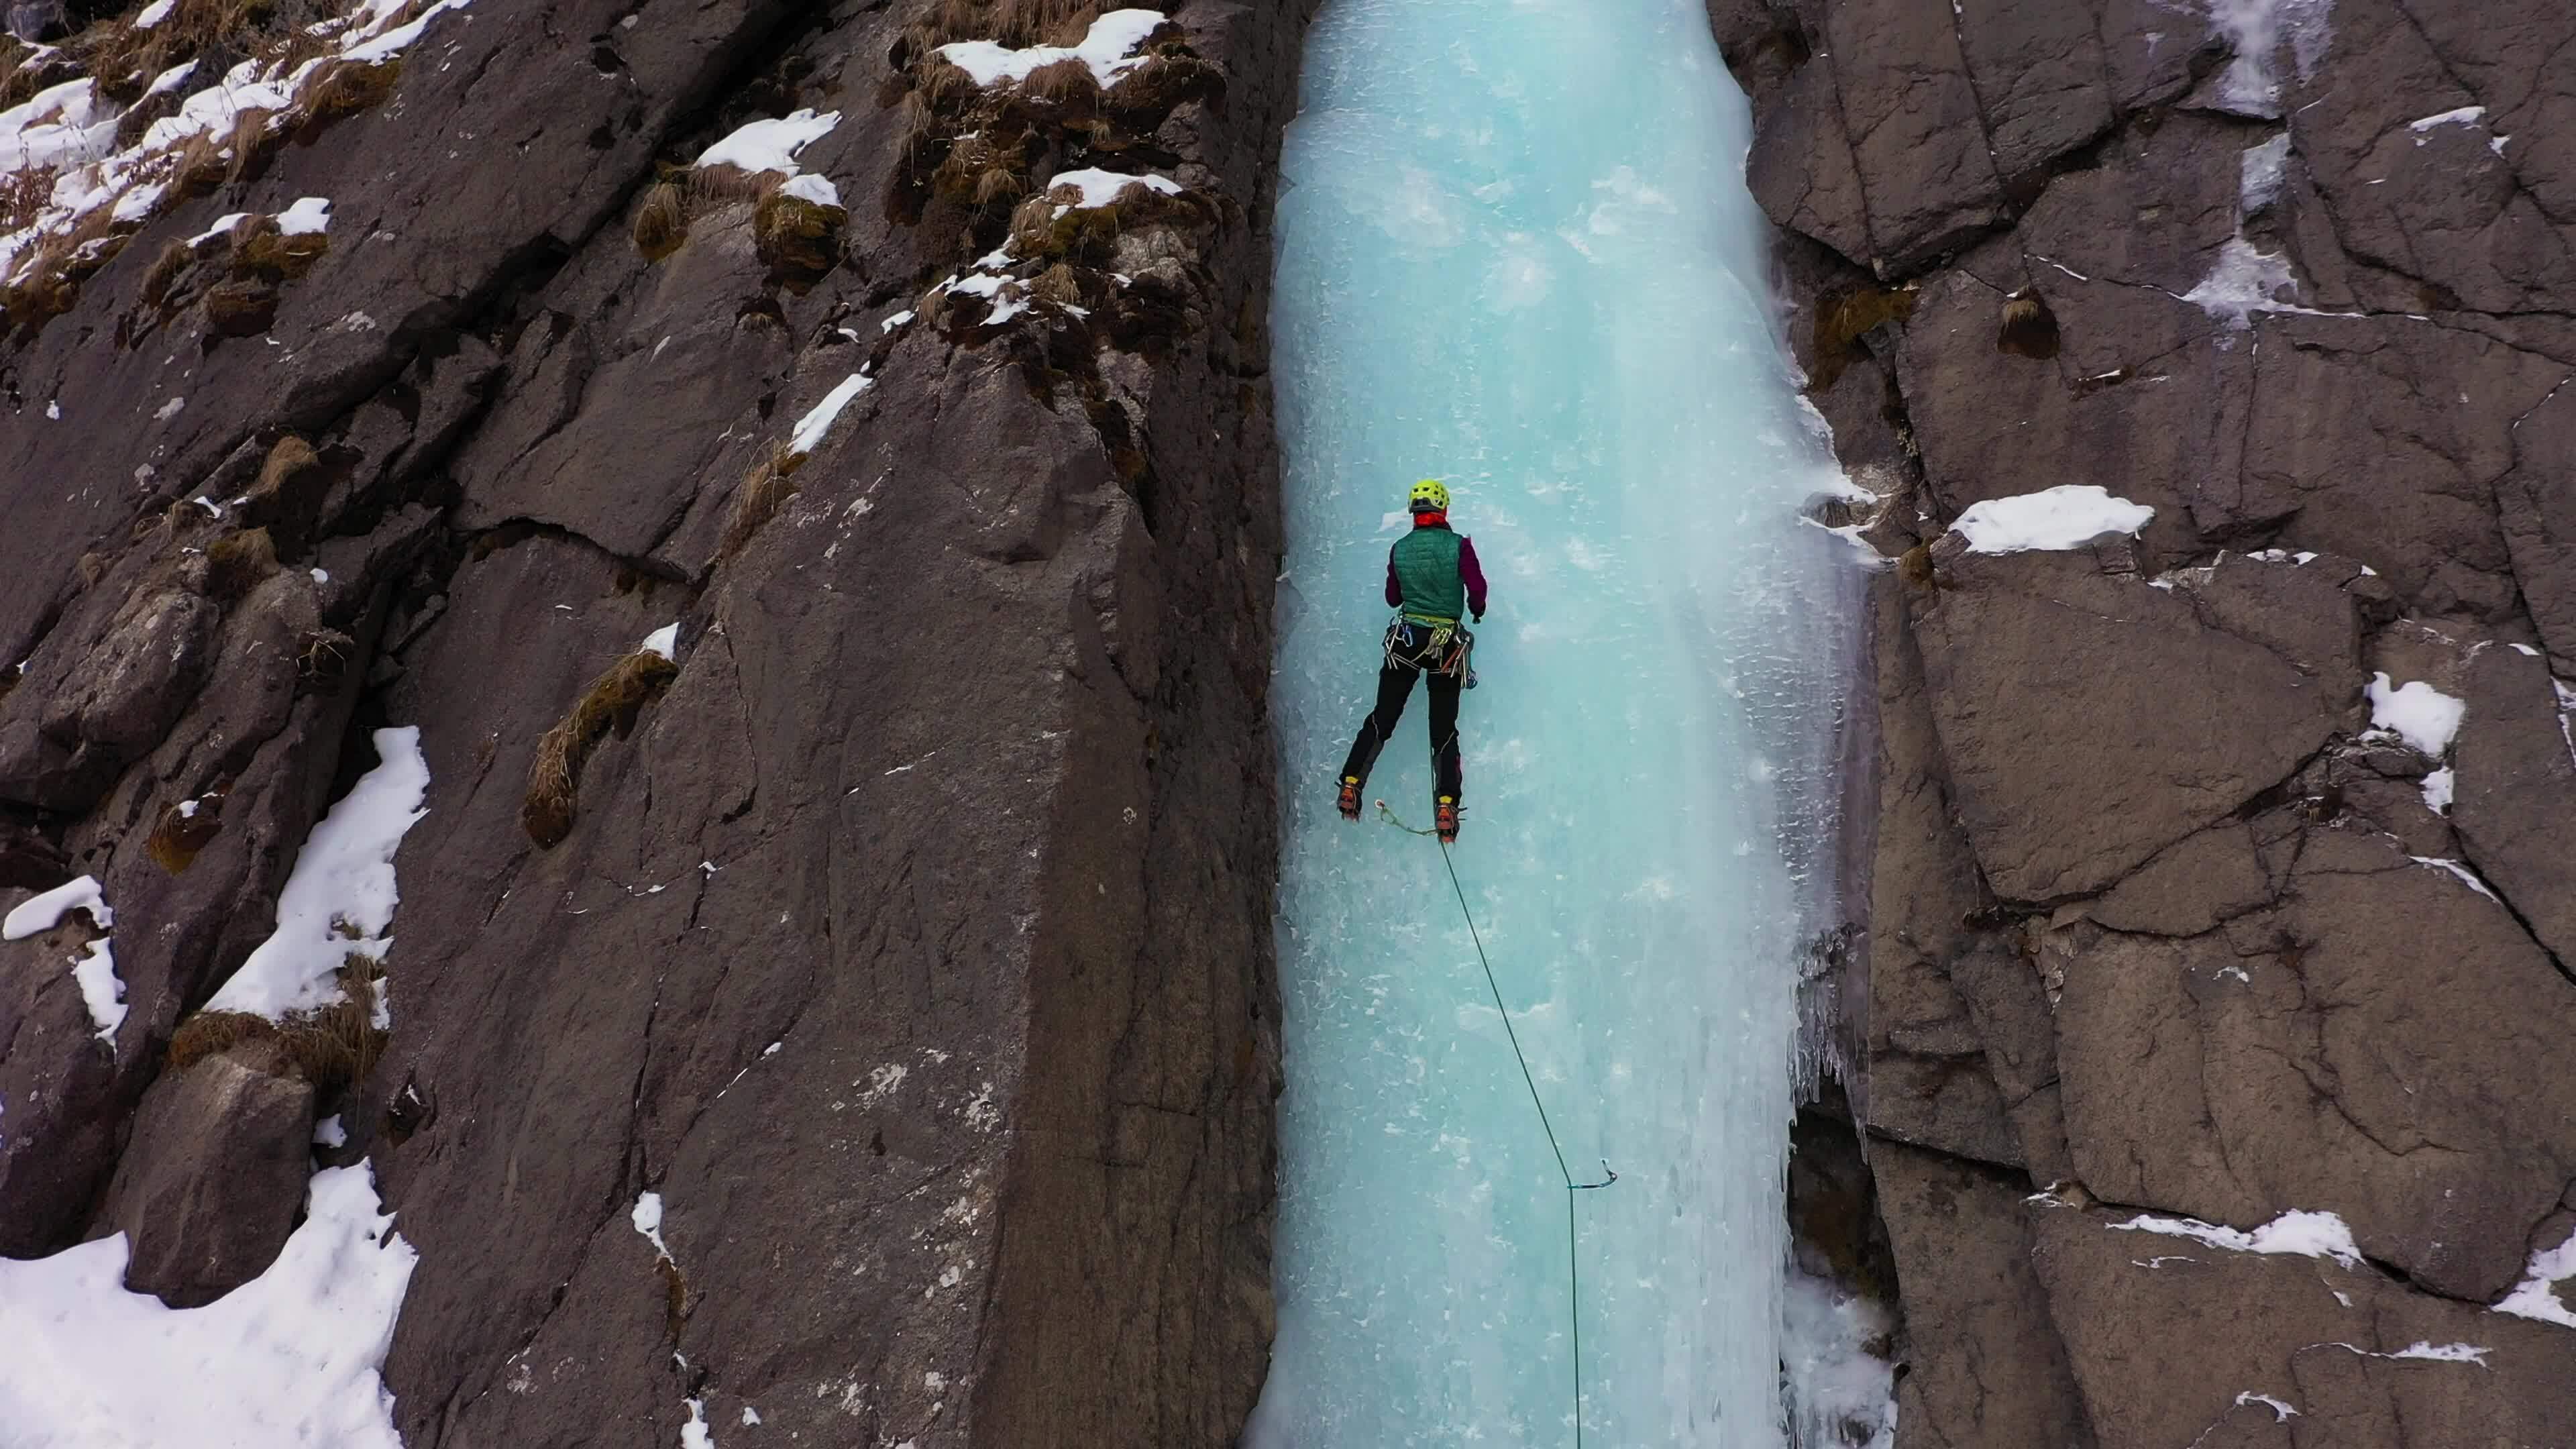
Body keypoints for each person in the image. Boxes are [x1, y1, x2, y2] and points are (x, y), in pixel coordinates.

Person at [1336, 478, 1487, 843]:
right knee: (1444, 729)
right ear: (1443, 510)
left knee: (1382, 717)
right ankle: (1447, 805)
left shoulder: (1399, 549)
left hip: (1404, 642)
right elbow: (1477, 590)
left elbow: (1392, 598)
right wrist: (1476, 611)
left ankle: (1352, 782)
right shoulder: (1459, 547)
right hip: (1446, 646)